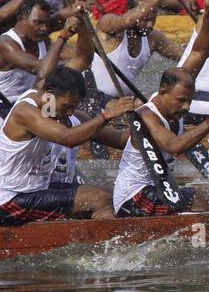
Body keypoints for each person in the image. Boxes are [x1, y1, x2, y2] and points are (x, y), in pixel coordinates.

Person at [110, 3, 209, 217]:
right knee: (208, 202)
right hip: (134, 197)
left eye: (189, 100)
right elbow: (175, 146)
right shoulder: (148, 116)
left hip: (161, 188)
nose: (186, 107)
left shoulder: (178, 85)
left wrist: (207, 14)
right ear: (162, 92)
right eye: (181, 101)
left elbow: (200, 50)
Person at [0, 66, 137, 224]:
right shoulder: (25, 111)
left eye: (74, 107)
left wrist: (145, 118)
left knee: (113, 195)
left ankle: (94, 238)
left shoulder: (51, 103)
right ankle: (112, 244)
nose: (70, 113)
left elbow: (120, 139)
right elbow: (67, 138)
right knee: (98, 199)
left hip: (33, 190)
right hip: (8, 199)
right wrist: (106, 116)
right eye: (66, 106)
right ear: (48, 94)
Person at [86, 0, 186, 108]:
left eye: (153, 18)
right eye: (145, 19)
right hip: (93, 96)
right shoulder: (108, 25)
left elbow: (187, 56)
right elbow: (127, 20)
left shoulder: (152, 39)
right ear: (132, 12)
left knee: (160, 101)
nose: (150, 25)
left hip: (124, 100)